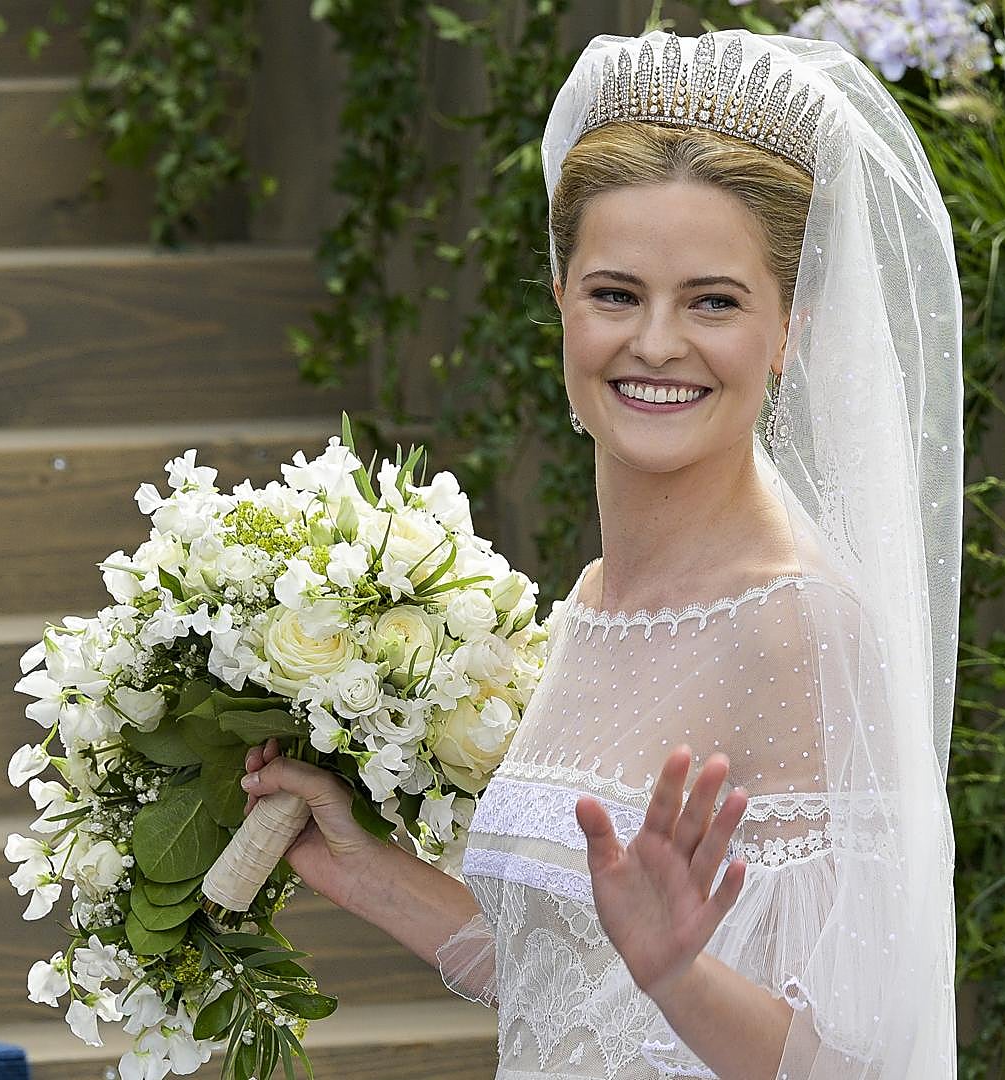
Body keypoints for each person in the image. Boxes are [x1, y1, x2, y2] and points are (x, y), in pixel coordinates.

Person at [238, 27, 962, 1079]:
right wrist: (363, 870)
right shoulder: (593, 599)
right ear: (561, 304)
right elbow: (572, 981)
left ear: (788, 332)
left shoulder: (795, 626)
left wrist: (678, 976)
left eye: (714, 301)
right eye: (616, 293)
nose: (656, 342)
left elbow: (854, 1063)